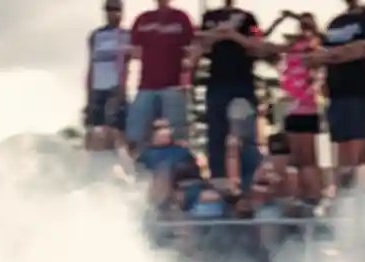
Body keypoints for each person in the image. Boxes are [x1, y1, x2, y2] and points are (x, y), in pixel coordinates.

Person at [257, 11, 326, 206]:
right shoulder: (291, 50)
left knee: (308, 158)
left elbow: (317, 54)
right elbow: (262, 42)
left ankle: (315, 197)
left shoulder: (314, 49)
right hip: (290, 108)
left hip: (307, 107)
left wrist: (299, 20)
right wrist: (280, 20)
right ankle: (304, 196)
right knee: (295, 158)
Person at [196, 1, 262, 181]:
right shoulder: (209, 17)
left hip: (242, 83)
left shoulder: (248, 18)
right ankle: (219, 179)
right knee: (216, 133)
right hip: (216, 82)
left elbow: (257, 44)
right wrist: (218, 34)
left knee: (244, 135)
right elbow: (201, 43)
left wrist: (232, 35)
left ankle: (250, 180)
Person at [319, 0, 365, 186]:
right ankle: (341, 187)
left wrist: (337, 54)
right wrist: (341, 53)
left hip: (357, 89)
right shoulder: (335, 22)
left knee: (357, 140)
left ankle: (359, 186)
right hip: (336, 90)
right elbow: (323, 53)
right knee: (338, 142)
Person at [126, 0, 196, 147]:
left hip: (173, 86)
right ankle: (140, 167)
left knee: (177, 135)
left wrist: (188, 79)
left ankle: (178, 166)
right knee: (136, 133)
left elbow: (192, 48)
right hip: (146, 85)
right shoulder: (143, 19)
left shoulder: (181, 18)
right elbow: (133, 51)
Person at [85, 1, 132, 150]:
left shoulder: (127, 35)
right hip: (97, 87)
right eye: (110, 10)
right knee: (94, 128)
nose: (114, 14)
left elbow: (128, 62)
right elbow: (91, 62)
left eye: (117, 10)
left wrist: (122, 88)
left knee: (117, 128)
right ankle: (92, 161)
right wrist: (89, 89)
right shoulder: (96, 35)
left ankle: (120, 162)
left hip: (116, 87)